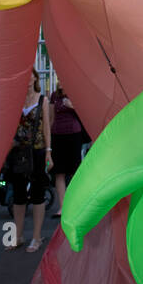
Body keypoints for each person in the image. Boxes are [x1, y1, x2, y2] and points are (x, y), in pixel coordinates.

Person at [5, 72, 52, 253]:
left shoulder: (43, 101)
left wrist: (49, 151)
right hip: (18, 153)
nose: (26, 80)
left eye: (29, 76)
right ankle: (16, 236)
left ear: (35, 78)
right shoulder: (15, 101)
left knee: (38, 193)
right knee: (18, 195)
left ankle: (36, 236)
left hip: (38, 151)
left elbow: (46, 128)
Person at [50, 85, 85, 218]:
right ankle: (62, 207)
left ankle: (76, 205)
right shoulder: (55, 96)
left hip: (73, 135)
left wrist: (73, 106)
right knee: (59, 172)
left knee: (75, 171)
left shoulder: (75, 93)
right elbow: (51, 117)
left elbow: (85, 113)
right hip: (58, 135)